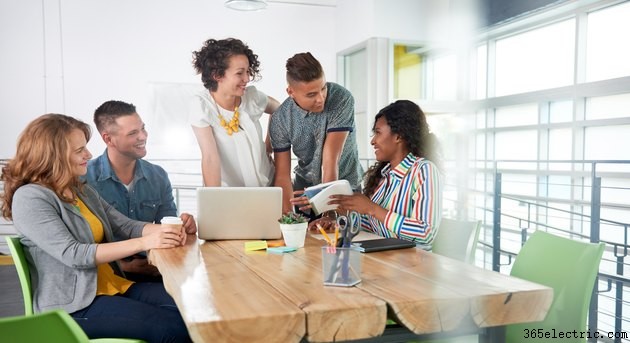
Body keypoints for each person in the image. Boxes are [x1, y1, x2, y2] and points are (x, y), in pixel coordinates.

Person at [1, 114, 191, 342]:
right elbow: (74, 254)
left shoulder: (79, 189)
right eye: (79, 150)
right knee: (171, 330)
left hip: (113, 286)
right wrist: (145, 242)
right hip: (75, 306)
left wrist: (168, 230)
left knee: (190, 309)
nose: (89, 155)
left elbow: (125, 225)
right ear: (53, 155)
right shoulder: (31, 198)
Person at [86, 100, 197, 281]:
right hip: (105, 276)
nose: (143, 136)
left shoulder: (158, 176)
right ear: (108, 139)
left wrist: (184, 226)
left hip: (154, 268)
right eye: (133, 133)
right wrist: (124, 266)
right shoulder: (85, 180)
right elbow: (80, 247)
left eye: (143, 128)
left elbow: (167, 227)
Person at [327, 100, 443, 250]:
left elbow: (425, 232)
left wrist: (372, 209)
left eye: (378, 132)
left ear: (398, 136)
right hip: (383, 258)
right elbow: (375, 226)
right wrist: (344, 215)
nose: (373, 141)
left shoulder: (424, 170)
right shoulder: (384, 176)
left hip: (413, 265)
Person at [269, 52, 363, 216]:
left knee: (341, 238)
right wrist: (287, 215)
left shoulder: (341, 98)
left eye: (323, 88)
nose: (321, 98)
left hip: (343, 190)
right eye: (311, 94)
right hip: (305, 194)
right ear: (291, 92)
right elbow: (283, 175)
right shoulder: (280, 119)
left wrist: (329, 213)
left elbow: (330, 161)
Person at [190, 38, 280, 187]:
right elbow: (210, 158)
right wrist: (214, 201)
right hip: (231, 194)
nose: (247, 78)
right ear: (217, 75)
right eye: (240, 73)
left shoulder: (252, 97)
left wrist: (268, 146)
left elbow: (278, 109)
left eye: (248, 71)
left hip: (268, 186)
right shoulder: (202, 106)